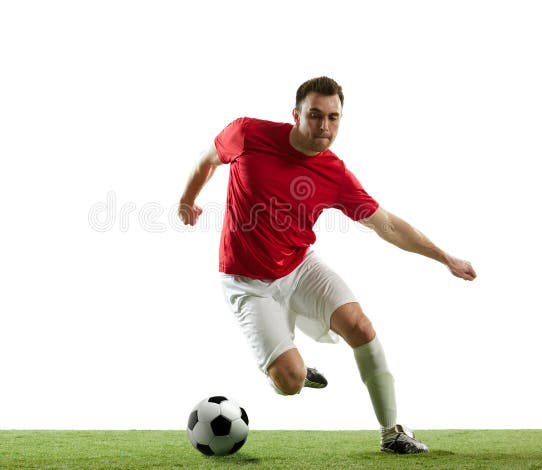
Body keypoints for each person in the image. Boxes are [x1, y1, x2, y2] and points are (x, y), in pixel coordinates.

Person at [178, 76, 476, 455]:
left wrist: (445, 258)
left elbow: (387, 224)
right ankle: (296, 372)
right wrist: (187, 200)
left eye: (333, 118)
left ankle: (392, 433)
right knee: (289, 381)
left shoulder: (334, 173)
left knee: (360, 326)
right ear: (296, 115)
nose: (324, 126)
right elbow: (207, 160)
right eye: (315, 115)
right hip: (246, 280)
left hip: (300, 267)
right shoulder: (248, 134)